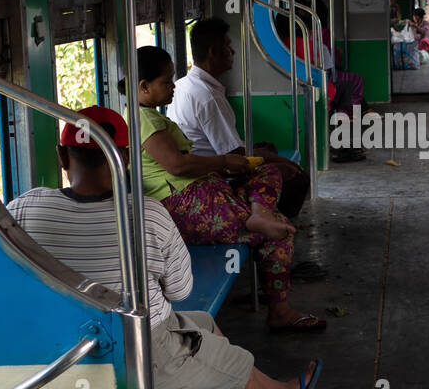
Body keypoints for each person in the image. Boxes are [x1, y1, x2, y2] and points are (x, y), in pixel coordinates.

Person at [5, 106, 324, 389]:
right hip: (130, 341)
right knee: (212, 354)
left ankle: (257, 386)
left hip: (58, 336)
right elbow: (180, 290)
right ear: (125, 159)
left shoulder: (23, 207)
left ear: (62, 156)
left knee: (203, 324)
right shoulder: (146, 215)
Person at [125, 46, 327, 333]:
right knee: (279, 232)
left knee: (268, 171)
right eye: (166, 81)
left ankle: (257, 212)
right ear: (144, 86)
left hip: (204, 194)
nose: (172, 87)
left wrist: (226, 167)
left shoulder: (152, 117)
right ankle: (279, 311)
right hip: (185, 207)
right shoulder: (142, 119)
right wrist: (222, 162)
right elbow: (177, 166)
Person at [167, 17, 310, 219]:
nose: (232, 52)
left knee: (267, 149)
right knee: (295, 176)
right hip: (214, 173)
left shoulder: (183, 84)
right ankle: (276, 226)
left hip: (204, 161)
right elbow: (234, 155)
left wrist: (262, 151)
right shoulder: (208, 97)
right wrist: (278, 160)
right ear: (212, 52)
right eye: (227, 46)